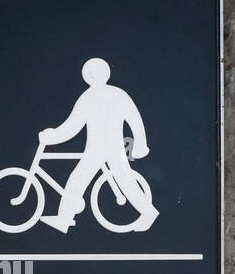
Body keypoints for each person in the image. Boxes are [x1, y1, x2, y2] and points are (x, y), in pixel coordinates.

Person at [38, 58, 158, 233]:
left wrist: (50, 137)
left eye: (89, 74)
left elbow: (71, 127)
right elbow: (136, 120)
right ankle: (64, 218)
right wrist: (141, 145)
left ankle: (64, 219)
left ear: (89, 76)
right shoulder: (119, 94)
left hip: (99, 149)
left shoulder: (88, 96)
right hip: (109, 147)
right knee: (117, 179)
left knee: (83, 179)